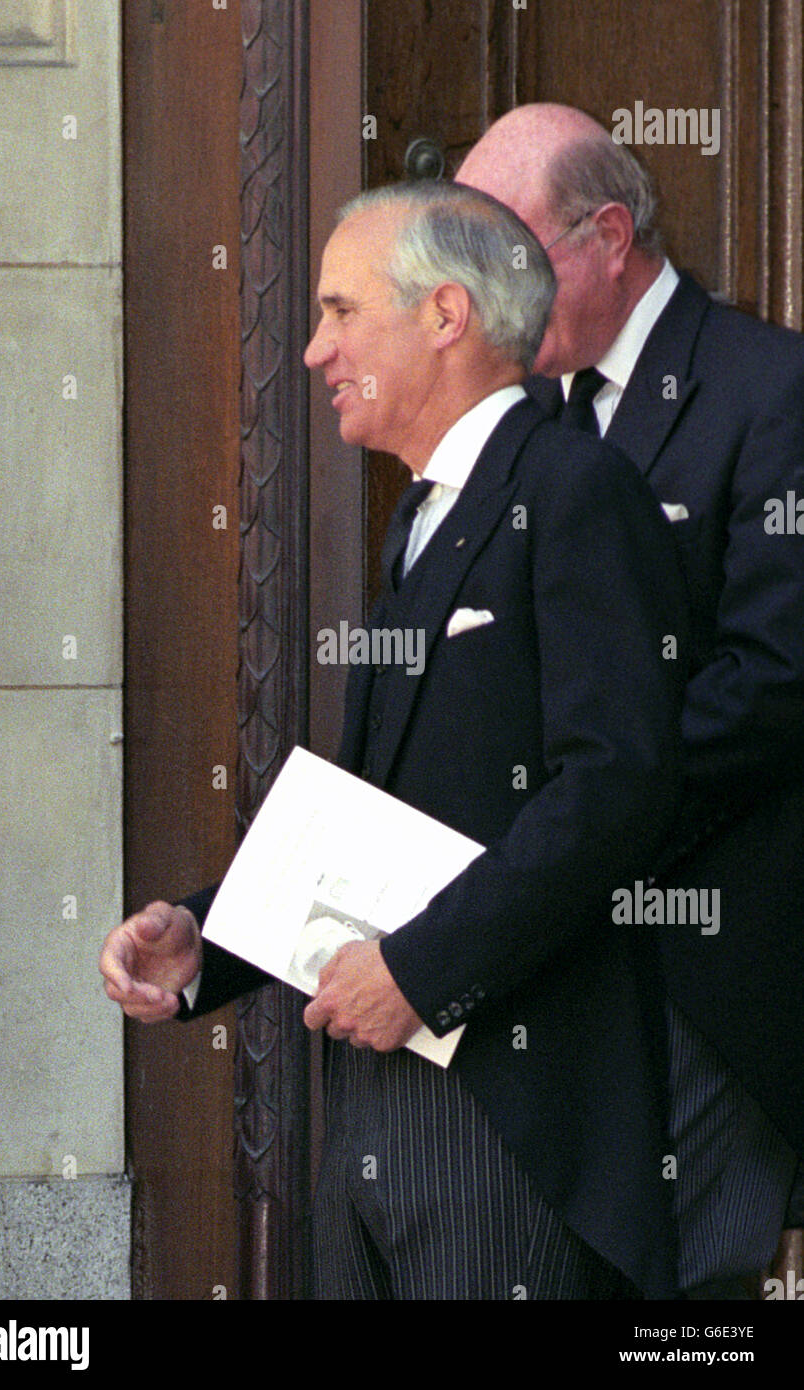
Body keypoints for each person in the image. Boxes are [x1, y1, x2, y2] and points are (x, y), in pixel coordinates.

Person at [101, 180, 691, 1299]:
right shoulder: (419, 521)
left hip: (506, 1122)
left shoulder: (573, 488)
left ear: (444, 315)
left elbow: (617, 785)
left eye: (339, 311)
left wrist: (419, 971)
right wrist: (207, 942)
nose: (317, 348)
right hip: (377, 1114)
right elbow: (387, 820)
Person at [457, 102, 804, 1298]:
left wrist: (580, 815)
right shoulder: (521, 428)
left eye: (507, 255)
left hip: (709, 971)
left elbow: (773, 684)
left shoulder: (771, 391)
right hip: (559, 973)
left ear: (609, 233)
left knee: (689, 1296)